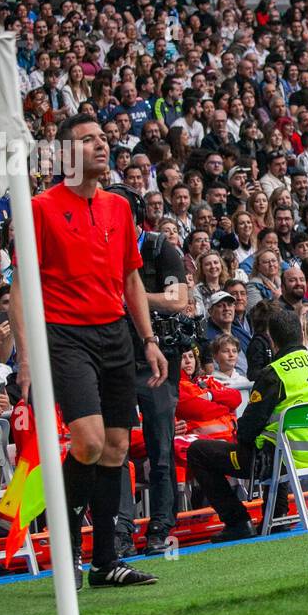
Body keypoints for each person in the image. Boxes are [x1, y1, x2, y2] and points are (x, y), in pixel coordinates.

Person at [12, 113, 168, 590]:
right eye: (88, 140)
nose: (102, 145)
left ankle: (105, 561)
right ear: (64, 155)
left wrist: (149, 339)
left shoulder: (120, 208)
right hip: (65, 336)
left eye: (103, 138)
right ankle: (64, 542)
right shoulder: (40, 207)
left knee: (116, 449)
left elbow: (131, 279)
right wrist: (25, 355)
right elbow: (21, 286)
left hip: (116, 334)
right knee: (89, 442)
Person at [185, 310, 308, 540]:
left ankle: (238, 522)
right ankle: (277, 517)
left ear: (272, 339)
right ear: (302, 333)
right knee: (275, 440)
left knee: (198, 452)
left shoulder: (274, 373)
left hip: (283, 461)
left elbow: (248, 429)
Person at [105, 184, 192, 556]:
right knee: (116, 450)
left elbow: (179, 299)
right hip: (113, 360)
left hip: (157, 361)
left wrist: (132, 298)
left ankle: (160, 526)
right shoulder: (99, 251)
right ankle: (120, 529)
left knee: (160, 446)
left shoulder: (160, 248)